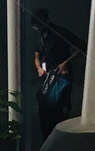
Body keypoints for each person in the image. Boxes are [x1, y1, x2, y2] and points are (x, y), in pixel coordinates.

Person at [33, 9, 80, 140]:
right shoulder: (41, 36)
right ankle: (46, 140)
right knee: (43, 107)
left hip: (61, 77)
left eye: (39, 26)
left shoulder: (61, 32)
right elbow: (36, 55)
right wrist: (38, 68)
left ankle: (59, 140)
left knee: (60, 109)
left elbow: (81, 48)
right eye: (36, 28)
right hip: (46, 78)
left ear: (46, 21)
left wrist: (65, 63)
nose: (37, 29)